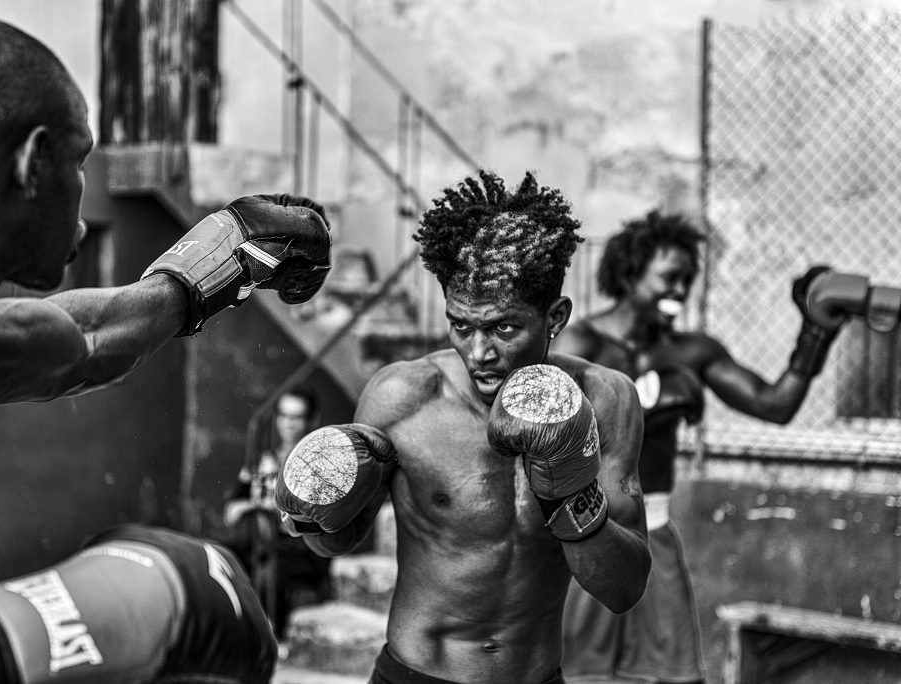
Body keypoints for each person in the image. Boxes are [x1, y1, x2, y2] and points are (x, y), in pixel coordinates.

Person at [0, 15, 332, 684]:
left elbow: (87, 339)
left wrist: (227, 258)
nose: (85, 200)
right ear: (32, 164)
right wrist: (59, 627)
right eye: (80, 161)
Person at [276, 170, 651, 684]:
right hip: (415, 674)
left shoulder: (606, 399)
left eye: (504, 327)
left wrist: (570, 496)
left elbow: (624, 588)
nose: (479, 353)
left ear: (555, 318)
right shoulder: (402, 396)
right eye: (461, 325)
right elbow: (337, 544)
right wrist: (314, 510)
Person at [553, 211, 847, 683]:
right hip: (590, 530)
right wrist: (643, 403)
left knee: (679, 677)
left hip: (657, 530)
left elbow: (775, 404)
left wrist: (815, 333)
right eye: (670, 278)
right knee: (579, 675)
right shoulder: (580, 345)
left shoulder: (692, 351)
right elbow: (541, 432)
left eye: (688, 280)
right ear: (630, 274)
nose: (681, 292)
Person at [226, 386, 332, 639]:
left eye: (296, 417)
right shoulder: (263, 461)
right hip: (261, 542)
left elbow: (318, 521)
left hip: (302, 549)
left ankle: (273, 638)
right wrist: (258, 504)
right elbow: (230, 512)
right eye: (283, 416)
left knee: (274, 571)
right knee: (228, 558)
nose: (288, 424)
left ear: (310, 420)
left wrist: (275, 508)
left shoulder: (318, 463)